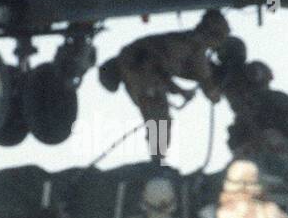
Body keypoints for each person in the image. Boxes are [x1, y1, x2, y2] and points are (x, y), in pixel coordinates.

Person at [98, 10, 231, 158]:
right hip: (166, 65)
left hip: (170, 62)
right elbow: (157, 76)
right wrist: (194, 90)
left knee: (157, 113)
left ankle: (157, 159)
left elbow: (164, 73)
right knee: (157, 114)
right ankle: (157, 159)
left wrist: (201, 88)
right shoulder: (132, 66)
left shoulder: (134, 61)